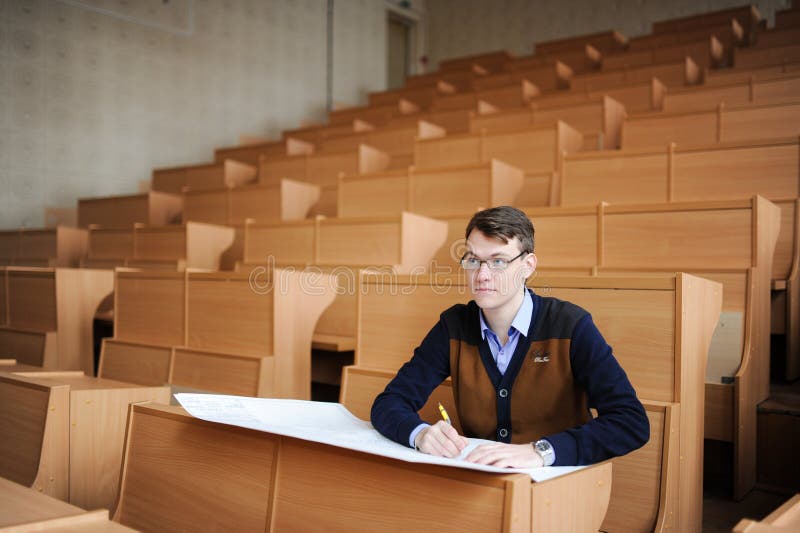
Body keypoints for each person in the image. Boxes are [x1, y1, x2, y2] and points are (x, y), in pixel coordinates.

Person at [371, 206, 649, 467]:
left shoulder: (571, 325)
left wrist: (540, 451)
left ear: (528, 265)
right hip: (483, 480)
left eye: (498, 262)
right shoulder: (453, 325)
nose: (481, 275)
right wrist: (419, 434)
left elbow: (630, 422)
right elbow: (389, 403)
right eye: (473, 260)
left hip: (558, 484)